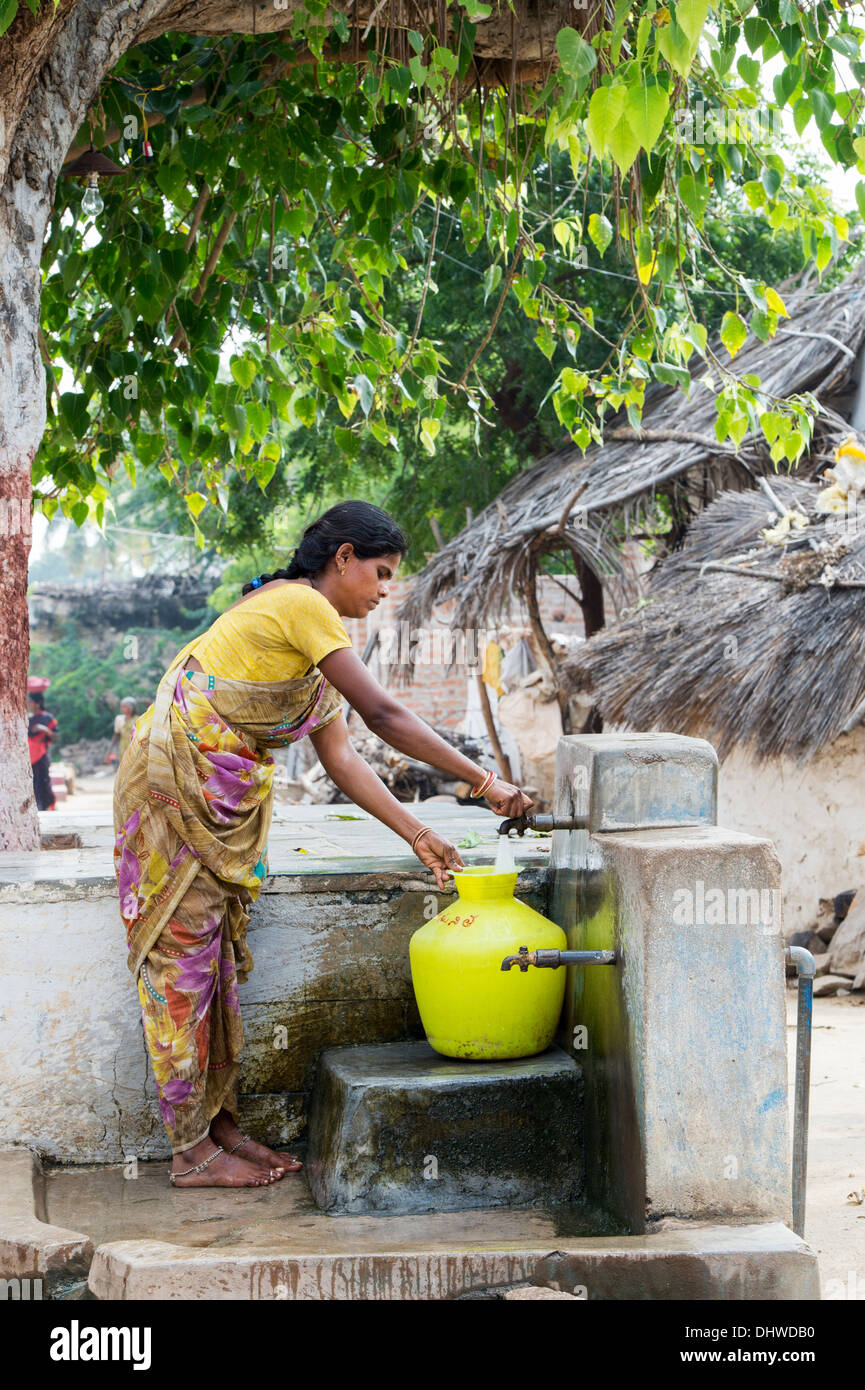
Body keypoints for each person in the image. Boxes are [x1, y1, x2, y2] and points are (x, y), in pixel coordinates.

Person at [113, 500, 533, 1189]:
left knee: (212, 970)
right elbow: (385, 715)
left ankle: (218, 1132)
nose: (385, 590)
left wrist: (419, 831)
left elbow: (343, 759)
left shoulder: (311, 639)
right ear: (342, 558)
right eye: (381, 572)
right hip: (174, 798)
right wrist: (486, 782)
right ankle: (189, 1155)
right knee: (182, 969)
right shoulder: (304, 606)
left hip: (211, 803)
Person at [27, 691, 58, 812]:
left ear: (38, 703)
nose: (28, 704)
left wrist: (44, 729)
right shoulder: (28, 719)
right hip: (29, 757)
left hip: (42, 755)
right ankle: (36, 808)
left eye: (30, 702)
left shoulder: (47, 718)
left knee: (44, 781)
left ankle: (46, 806)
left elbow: (55, 737)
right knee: (33, 782)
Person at [106, 697, 137, 765]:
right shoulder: (119, 719)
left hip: (135, 749)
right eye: (121, 706)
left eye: (124, 706)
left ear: (130, 708)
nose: (121, 708)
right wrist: (110, 750)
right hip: (123, 749)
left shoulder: (138, 720)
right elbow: (116, 735)